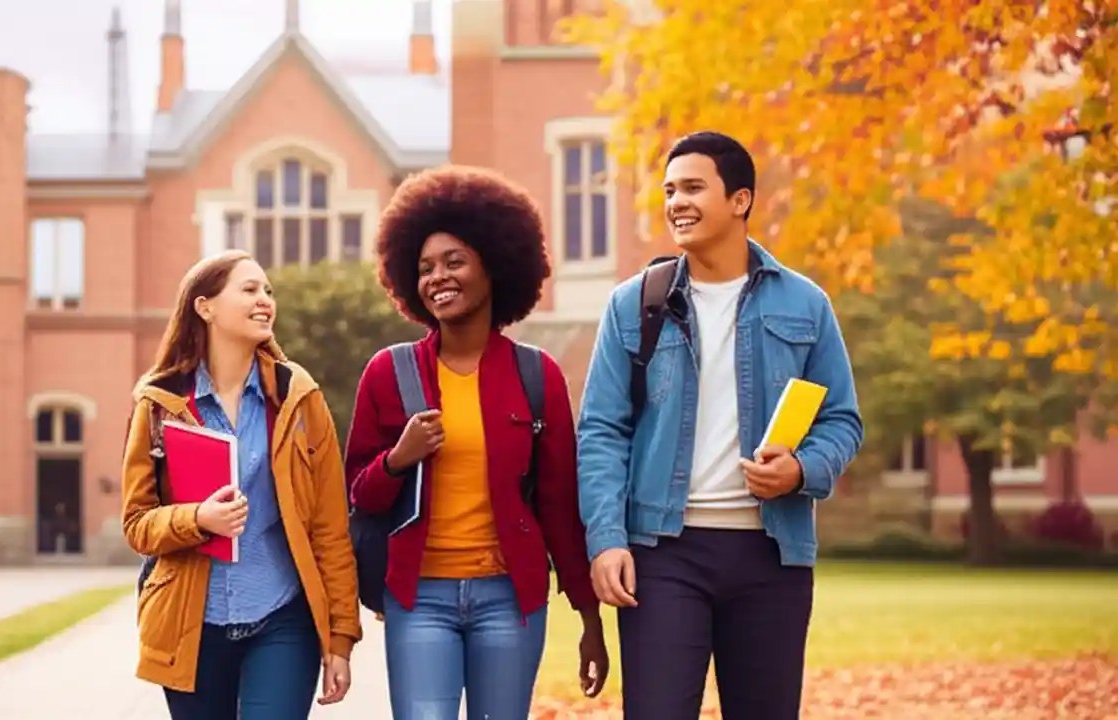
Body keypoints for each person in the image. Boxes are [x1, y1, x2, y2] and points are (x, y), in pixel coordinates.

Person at [577, 131, 864, 719]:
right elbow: (602, 432)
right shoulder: (633, 305)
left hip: (771, 554)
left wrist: (802, 470)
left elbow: (842, 420)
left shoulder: (806, 305)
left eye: (692, 187)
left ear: (740, 200)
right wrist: (606, 540)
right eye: (669, 190)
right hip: (663, 554)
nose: (676, 202)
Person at [345, 165, 610, 720]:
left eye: (454, 261)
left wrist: (588, 615)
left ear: (494, 266)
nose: (437, 277)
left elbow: (560, 505)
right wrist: (398, 460)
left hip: (508, 599)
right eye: (424, 268)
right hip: (419, 598)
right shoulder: (388, 373)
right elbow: (358, 496)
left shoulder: (537, 377)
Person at [121, 250, 361, 719]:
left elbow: (330, 529)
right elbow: (136, 523)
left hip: (283, 618)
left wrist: (340, 639)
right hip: (191, 625)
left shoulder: (300, 398)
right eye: (249, 289)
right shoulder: (159, 402)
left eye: (268, 291)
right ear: (204, 306)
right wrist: (197, 519)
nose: (264, 300)